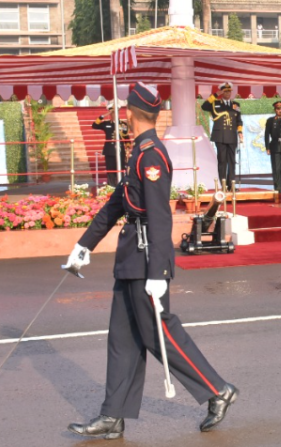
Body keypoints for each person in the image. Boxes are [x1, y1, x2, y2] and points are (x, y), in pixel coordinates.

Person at [65, 83, 237, 439]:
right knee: (122, 340)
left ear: (129, 114)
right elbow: (117, 203)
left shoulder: (152, 155)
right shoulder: (139, 152)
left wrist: (159, 270)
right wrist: (84, 245)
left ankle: (217, 390)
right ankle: (112, 415)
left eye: (123, 111)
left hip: (146, 260)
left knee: (161, 335)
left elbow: (160, 215)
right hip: (132, 256)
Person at [201, 82, 243, 192]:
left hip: (232, 136)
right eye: (225, 91)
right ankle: (223, 185)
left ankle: (231, 185)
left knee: (232, 161)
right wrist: (215, 94)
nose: (227, 93)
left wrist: (240, 132)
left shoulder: (236, 105)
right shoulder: (215, 103)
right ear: (222, 92)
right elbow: (204, 106)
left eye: (229, 91)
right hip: (220, 136)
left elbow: (239, 120)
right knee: (222, 161)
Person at [91, 104, 129, 186]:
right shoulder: (106, 123)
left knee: (121, 169)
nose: (114, 114)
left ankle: (121, 185)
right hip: (109, 150)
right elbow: (94, 125)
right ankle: (111, 187)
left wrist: (128, 149)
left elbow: (126, 137)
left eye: (116, 112)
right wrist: (104, 116)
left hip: (120, 150)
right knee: (110, 170)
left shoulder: (123, 124)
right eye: (112, 113)